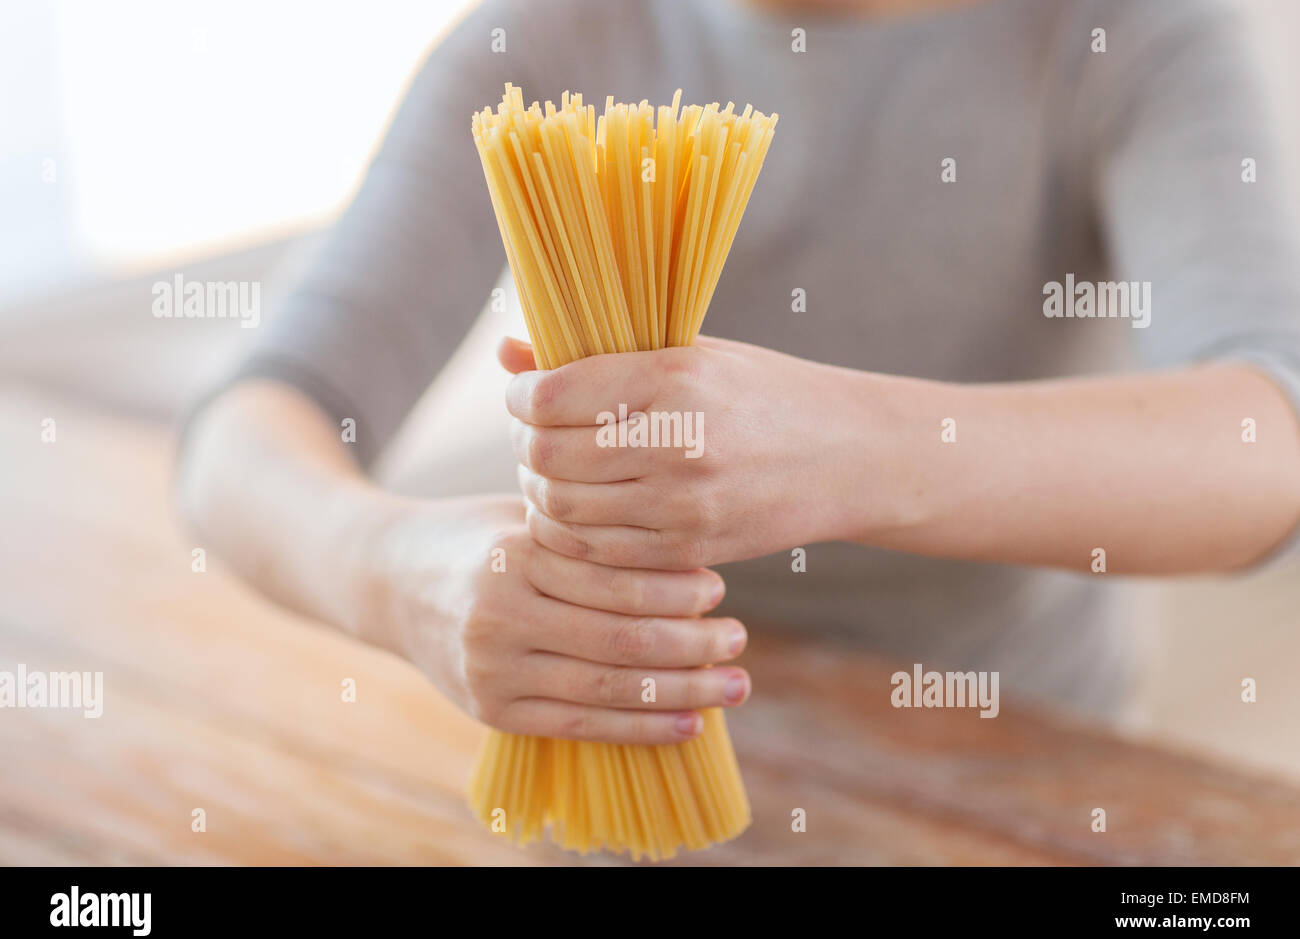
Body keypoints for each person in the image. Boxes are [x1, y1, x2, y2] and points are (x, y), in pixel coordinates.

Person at [177, 0, 1300, 745]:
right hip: (617, 768)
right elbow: (243, 432)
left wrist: (860, 453)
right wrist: (397, 569)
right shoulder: (544, 43)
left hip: (1010, 757)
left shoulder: (1125, 33)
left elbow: (1268, 436)